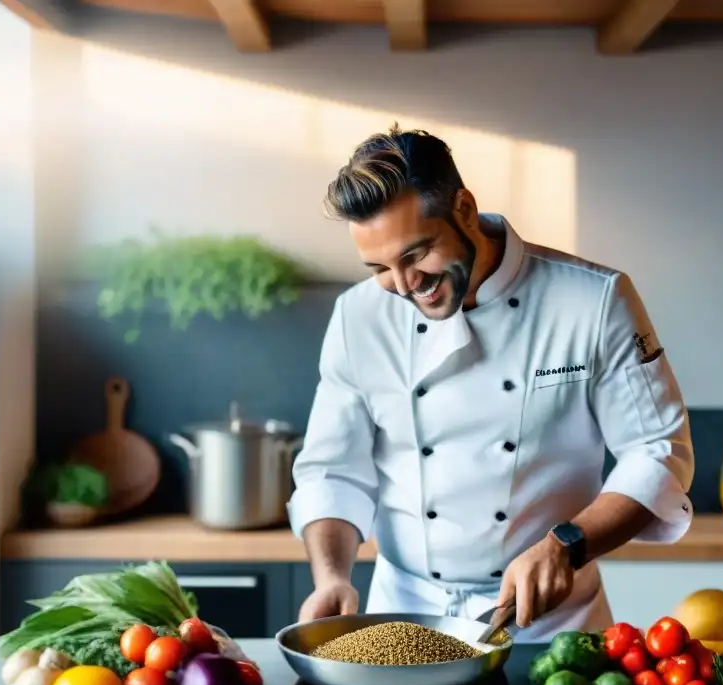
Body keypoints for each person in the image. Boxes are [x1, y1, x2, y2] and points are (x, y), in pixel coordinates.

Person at [289, 125, 694, 641]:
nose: (406, 285)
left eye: (416, 255)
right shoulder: (358, 316)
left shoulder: (592, 300)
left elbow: (657, 453)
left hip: (549, 623)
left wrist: (566, 543)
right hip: (402, 616)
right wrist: (331, 578)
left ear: (463, 208)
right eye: (380, 268)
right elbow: (332, 470)